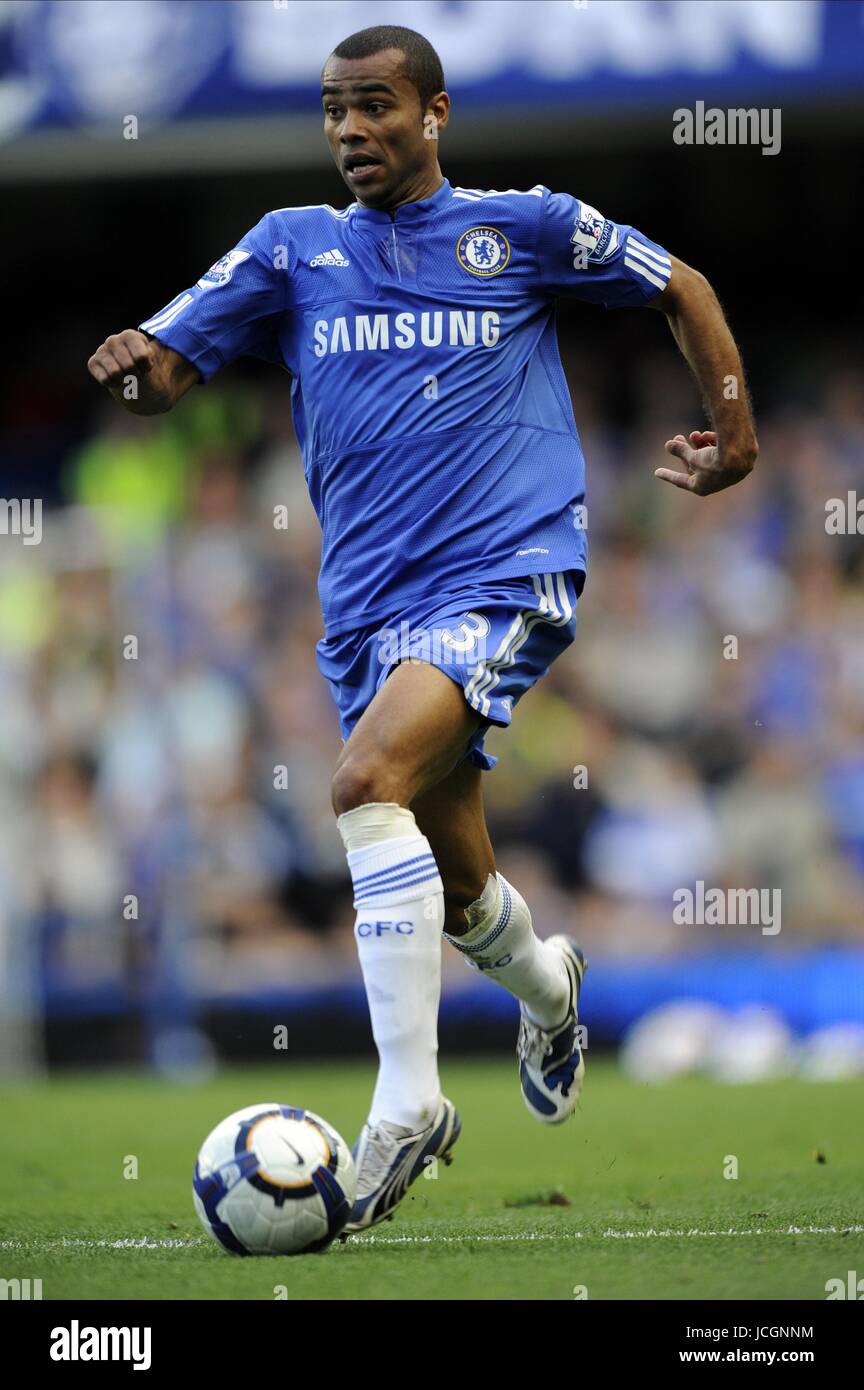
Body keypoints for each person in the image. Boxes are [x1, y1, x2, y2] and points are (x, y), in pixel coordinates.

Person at [87, 25, 758, 1235]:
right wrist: (133, 370)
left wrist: (735, 434)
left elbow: (684, 286)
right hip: (367, 614)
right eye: (336, 111)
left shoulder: (528, 228)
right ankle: (552, 991)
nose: (353, 130)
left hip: (507, 577)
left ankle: (407, 1103)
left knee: (361, 783)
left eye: (378, 108)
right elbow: (167, 375)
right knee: (456, 887)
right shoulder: (292, 249)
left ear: (434, 113)